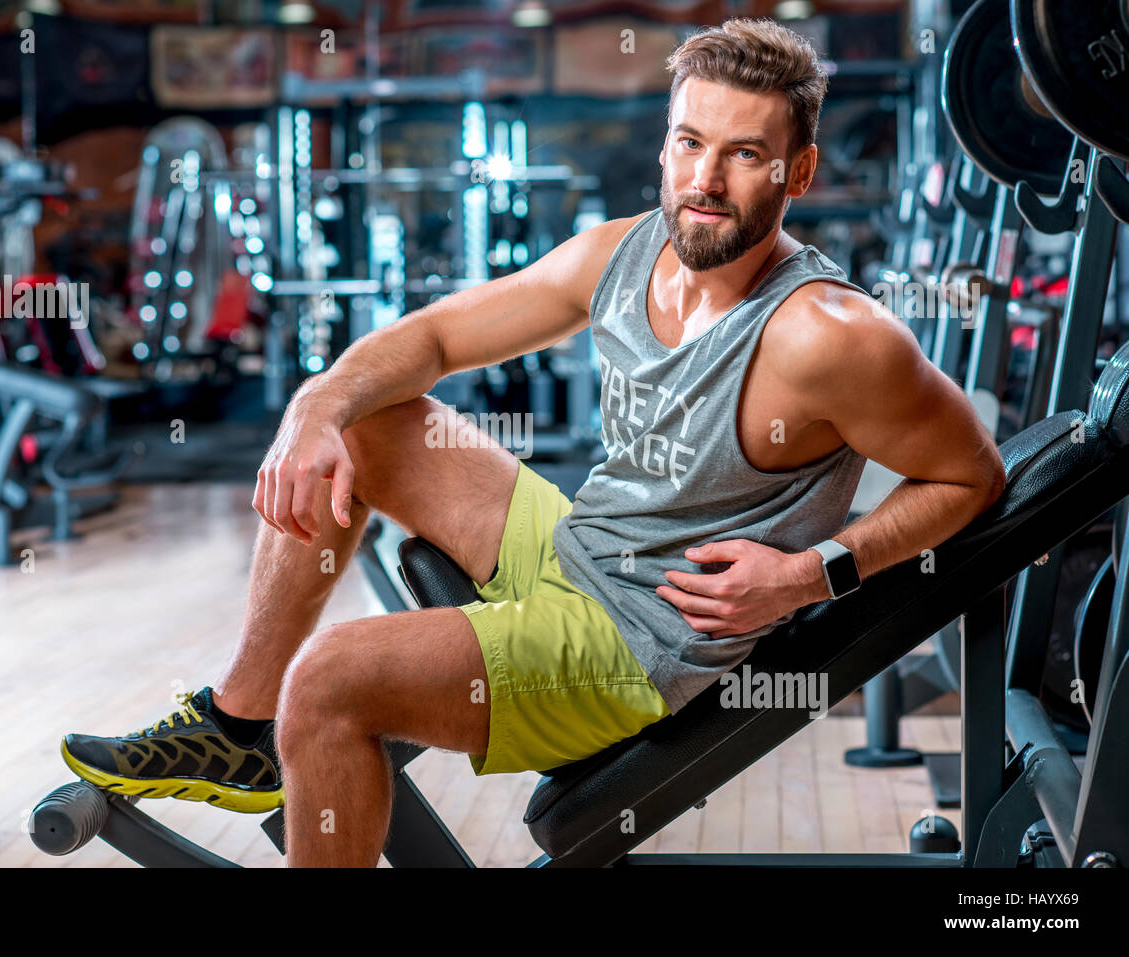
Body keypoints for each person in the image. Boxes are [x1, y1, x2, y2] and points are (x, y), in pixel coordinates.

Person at [59, 18, 1006, 867]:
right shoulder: (623, 252)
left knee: (333, 681)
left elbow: (970, 475)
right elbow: (431, 338)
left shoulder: (832, 335)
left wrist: (813, 574)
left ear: (797, 173)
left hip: (641, 640)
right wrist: (313, 408)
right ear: (666, 144)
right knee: (368, 418)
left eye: (744, 154)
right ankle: (235, 725)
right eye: (689, 143)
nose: (704, 182)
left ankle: (289, 718)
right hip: (575, 548)